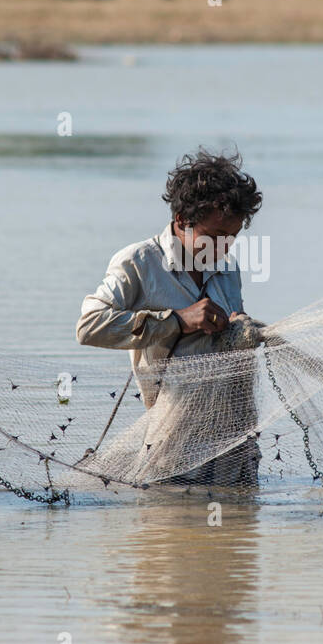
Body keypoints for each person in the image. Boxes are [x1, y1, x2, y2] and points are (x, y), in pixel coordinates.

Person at [76, 149, 263, 485]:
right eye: (215, 236)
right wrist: (176, 320)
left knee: (237, 528)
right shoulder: (139, 262)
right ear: (181, 221)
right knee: (169, 525)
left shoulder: (227, 268)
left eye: (232, 238)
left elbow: (230, 332)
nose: (224, 248)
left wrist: (241, 328)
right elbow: (89, 327)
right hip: (172, 441)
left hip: (233, 439)